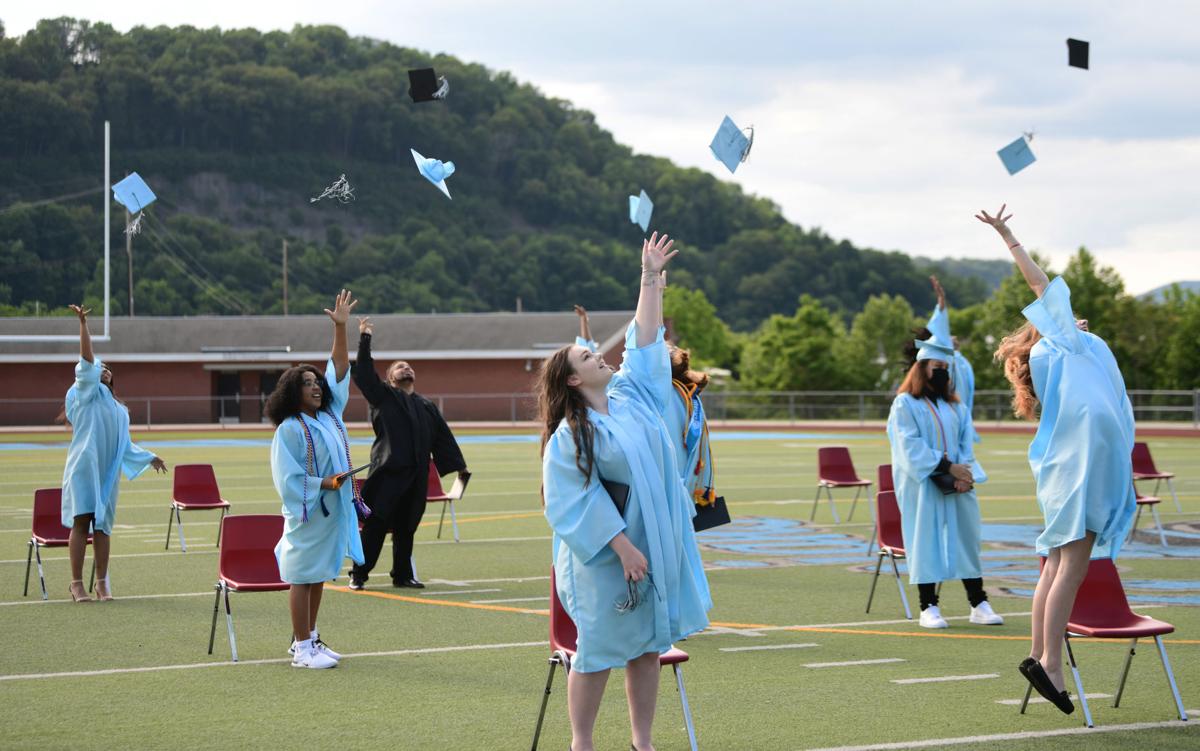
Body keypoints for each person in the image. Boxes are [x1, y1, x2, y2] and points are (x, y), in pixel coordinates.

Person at [541, 233, 711, 751]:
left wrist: (649, 278)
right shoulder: (570, 435)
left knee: (648, 645)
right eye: (587, 356)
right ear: (573, 381)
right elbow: (573, 500)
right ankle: (582, 743)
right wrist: (622, 546)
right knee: (596, 652)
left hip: (651, 545)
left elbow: (645, 341)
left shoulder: (633, 398)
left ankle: (642, 742)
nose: (598, 356)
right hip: (604, 559)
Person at [981, 204, 1136, 715]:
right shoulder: (1063, 346)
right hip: (1082, 470)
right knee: (1071, 564)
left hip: (1068, 469)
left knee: (1055, 564)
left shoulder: (1071, 352)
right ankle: (1050, 663)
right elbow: (1039, 283)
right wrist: (1008, 236)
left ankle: (1037, 655)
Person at [265, 289, 368, 669]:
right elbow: (287, 478)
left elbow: (339, 368)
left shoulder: (329, 415)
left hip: (331, 511)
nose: (316, 386)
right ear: (293, 391)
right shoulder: (289, 429)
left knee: (319, 574)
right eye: (307, 382)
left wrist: (340, 329)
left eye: (316, 382)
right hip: (308, 511)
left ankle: (310, 637)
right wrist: (325, 483)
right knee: (302, 575)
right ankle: (301, 648)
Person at [886, 329, 1002, 629]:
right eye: (937, 367)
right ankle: (928, 606)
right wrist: (948, 467)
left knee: (966, 539)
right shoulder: (905, 404)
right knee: (926, 540)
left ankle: (978, 602)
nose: (943, 373)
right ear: (922, 369)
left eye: (946, 369)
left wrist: (966, 475)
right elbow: (908, 445)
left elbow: (965, 445)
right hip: (923, 485)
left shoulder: (956, 406)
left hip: (958, 484)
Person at [349, 318, 466, 590]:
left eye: (409, 366)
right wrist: (365, 338)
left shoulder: (426, 405)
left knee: (407, 527)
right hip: (388, 475)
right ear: (390, 378)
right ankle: (359, 574)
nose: (407, 368)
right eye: (400, 366)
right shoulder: (383, 397)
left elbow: (443, 437)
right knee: (376, 526)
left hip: (416, 476)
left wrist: (459, 466)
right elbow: (364, 373)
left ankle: (402, 575)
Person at [60, 304, 167, 602]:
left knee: (103, 528)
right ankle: (76, 583)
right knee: (82, 521)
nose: (104, 369)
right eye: (100, 367)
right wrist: (83, 325)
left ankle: (102, 583)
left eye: (108, 368)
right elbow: (86, 359)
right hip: (85, 467)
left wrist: (149, 457)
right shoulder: (86, 395)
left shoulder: (120, 410)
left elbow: (125, 446)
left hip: (108, 474)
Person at [925, 275, 980, 443]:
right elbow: (940, 327)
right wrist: (941, 302)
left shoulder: (961, 362)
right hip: (941, 406)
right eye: (949, 337)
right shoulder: (938, 354)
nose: (953, 338)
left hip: (957, 407)